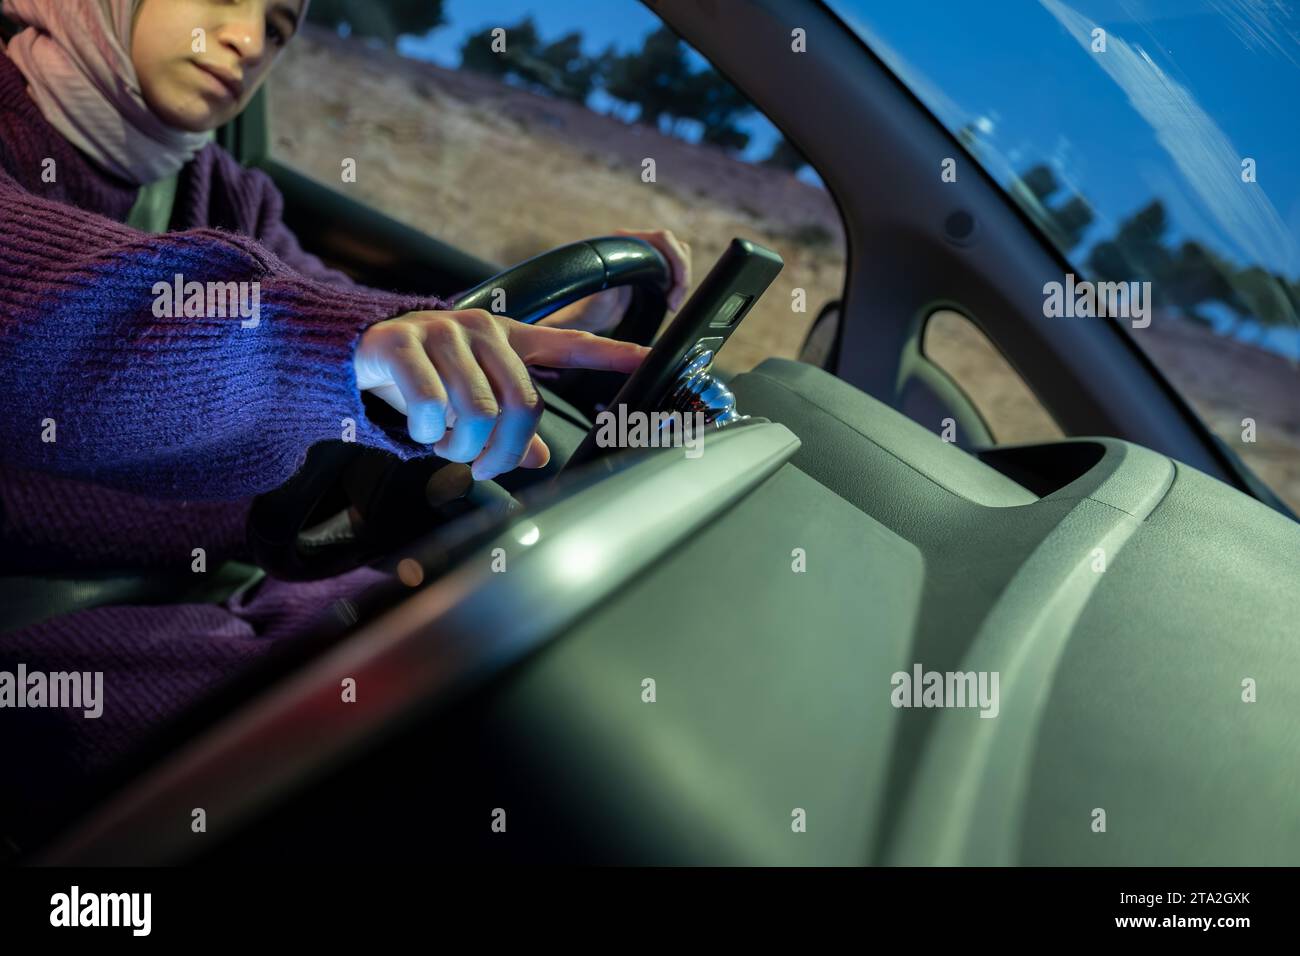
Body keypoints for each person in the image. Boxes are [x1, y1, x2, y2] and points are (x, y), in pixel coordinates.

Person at [0, 0, 691, 834]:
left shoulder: (217, 187)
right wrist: (311, 346)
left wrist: (570, 312)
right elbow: (40, 297)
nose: (250, 41)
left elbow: (352, 308)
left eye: (281, 26)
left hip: (231, 580)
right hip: (49, 631)